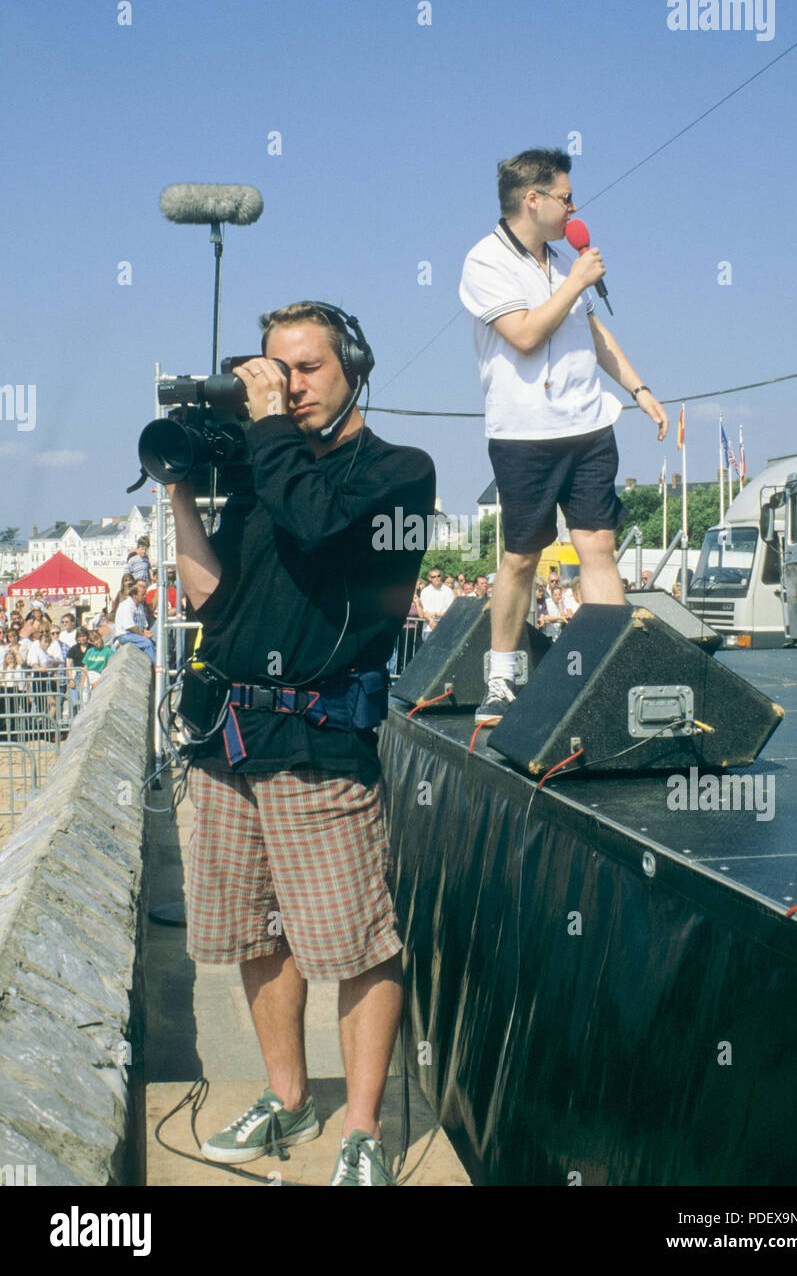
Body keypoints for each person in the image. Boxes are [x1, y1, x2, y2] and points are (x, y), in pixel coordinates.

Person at [165, 300, 435, 1187]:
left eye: (307, 368)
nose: (289, 388)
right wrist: (178, 485)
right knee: (257, 938)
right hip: (230, 739)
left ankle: (359, 1127)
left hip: (318, 742)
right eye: (276, 371)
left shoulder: (395, 472)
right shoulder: (262, 468)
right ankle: (287, 1097)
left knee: (352, 942)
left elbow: (318, 522)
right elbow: (210, 599)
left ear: (353, 366)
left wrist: (267, 426)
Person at [459, 147, 668, 722]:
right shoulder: (484, 262)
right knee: (522, 557)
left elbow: (594, 337)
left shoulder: (560, 261)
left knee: (598, 547)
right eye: (567, 197)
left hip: (590, 425)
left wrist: (639, 389)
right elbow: (523, 334)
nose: (575, 207)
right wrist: (576, 281)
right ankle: (502, 677)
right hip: (525, 434)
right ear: (534, 199)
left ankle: (614, 670)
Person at [114, 580, 155, 660]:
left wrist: (146, 632)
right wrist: (143, 635)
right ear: (134, 595)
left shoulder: (140, 606)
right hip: (124, 635)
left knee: (154, 643)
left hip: (135, 634)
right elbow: (130, 627)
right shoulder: (127, 605)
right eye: (142, 594)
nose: (145, 596)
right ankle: (157, 669)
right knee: (147, 643)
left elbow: (143, 626)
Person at [419, 567, 454, 635]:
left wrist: (435, 614)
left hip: (444, 627)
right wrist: (431, 620)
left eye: (438, 576)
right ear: (430, 578)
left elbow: (450, 611)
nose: (437, 578)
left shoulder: (448, 591)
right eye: (434, 577)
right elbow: (423, 612)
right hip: (428, 628)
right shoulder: (425, 591)